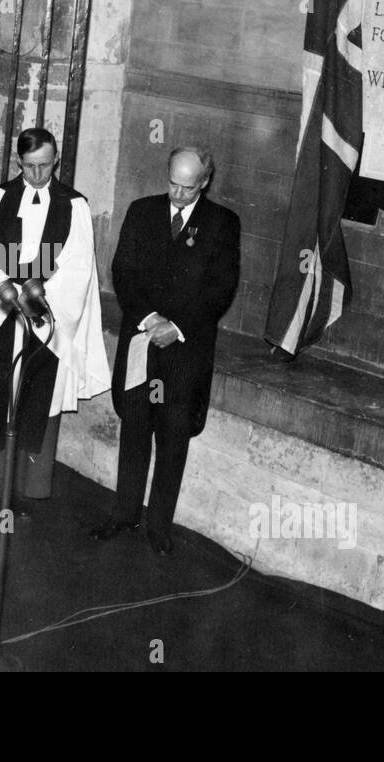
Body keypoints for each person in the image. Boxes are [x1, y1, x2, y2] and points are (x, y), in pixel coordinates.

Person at [0, 128, 108, 516]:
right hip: (0, 310)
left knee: (33, 394)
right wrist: (4, 289)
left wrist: (38, 300)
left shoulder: (75, 205)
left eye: (46, 165)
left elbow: (77, 269)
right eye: (30, 166)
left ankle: (22, 489)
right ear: (19, 162)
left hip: (43, 314)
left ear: (57, 161)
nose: (38, 174)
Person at [92, 147, 240, 556]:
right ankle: (123, 513)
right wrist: (150, 319)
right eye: (172, 183)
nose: (177, 193)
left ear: (205, 182)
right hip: (142, 340)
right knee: (135, 428)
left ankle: (159, 526)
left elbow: (220, 289)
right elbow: (122, 271)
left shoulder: (223, 224)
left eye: (187, 187)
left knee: (174, 437)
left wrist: (175, 327)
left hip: (183, 351)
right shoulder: (141, 212)